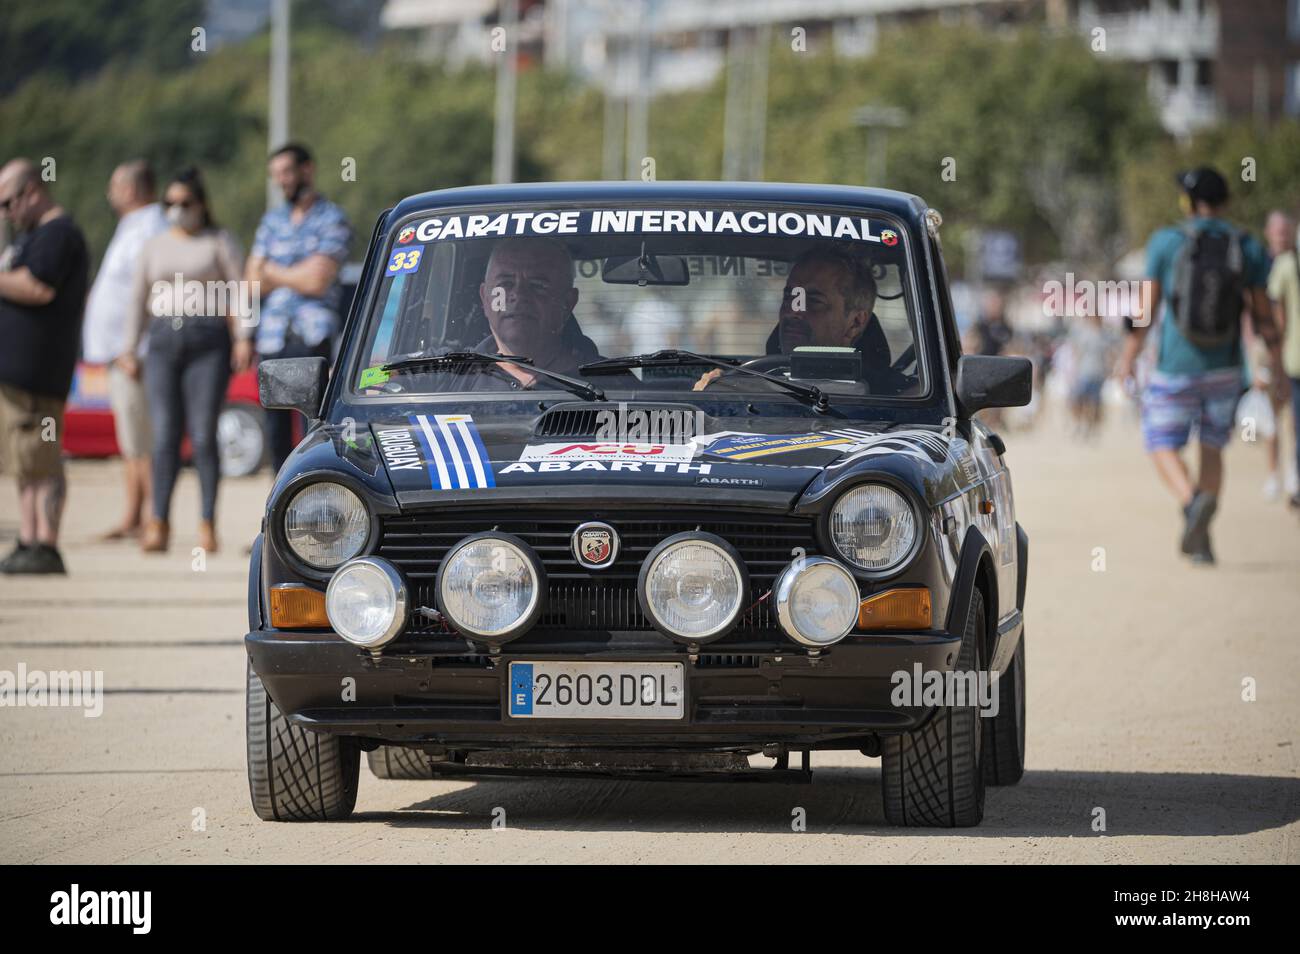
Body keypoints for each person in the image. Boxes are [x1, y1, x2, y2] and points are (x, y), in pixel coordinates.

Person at [1114, 167, 1279, 564]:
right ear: (1226, 203)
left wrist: (1127, 359)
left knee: (1159, 439)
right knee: (1212, 447)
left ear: (1187, 203)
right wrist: (1274, 362)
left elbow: (1146, 311)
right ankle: (1202, 534)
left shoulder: (1167, 243)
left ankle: (1191, 505)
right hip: (1226, 368)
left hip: (1176, 366)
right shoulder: (1248, 246)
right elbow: (1263, 315)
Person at [121, 167, 253, 554]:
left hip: (207, 340)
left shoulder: (218, 240)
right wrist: (128, 347)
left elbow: (242, 288)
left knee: (201, 434)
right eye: (170, 203)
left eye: (184, 203)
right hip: (163, 340)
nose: (177, 209)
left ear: (201, 205)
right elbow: (136, 300)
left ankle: (207, 523)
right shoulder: (154, 245)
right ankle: (158, 521)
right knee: (164, 435)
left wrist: (243, 336)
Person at [0, 159, 90, 575]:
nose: (5, 213)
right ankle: (29, 538)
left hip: (39, 373)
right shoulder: (32, 236)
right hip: (19, 375)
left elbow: (38, 288)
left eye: (7, 202)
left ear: (32, 191)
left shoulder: (58, 235)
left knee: (41, 458)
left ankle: (46, 544)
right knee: (23, 463)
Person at [245, 143, 351, 472]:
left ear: (307, 170)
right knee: (275, 435)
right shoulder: (271, 221)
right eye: (276, 175)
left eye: (287, 173)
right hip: (273, 338)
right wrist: (297, 273)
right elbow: (250, 280)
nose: (282, 181)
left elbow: (318, 281)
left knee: (314, 432)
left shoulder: (332, 219)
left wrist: (272, 271)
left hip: (313, 336)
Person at [81, 160, 167, 540]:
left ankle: (151, 518)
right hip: (120, 353)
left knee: (141, 437)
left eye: (115, 185)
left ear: (132, 189)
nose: (109, 193)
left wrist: (133, 348)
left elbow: (151, 291)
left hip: (135, 353)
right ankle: (134, 514)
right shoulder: (133, 225)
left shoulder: (150, 226)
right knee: (130, 440)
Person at [695, 244, 910, 395]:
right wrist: (710, 396)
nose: (793, 311)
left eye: (814, 301)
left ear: (855, 323)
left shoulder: (903, 402)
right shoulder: (736, 387)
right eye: (790, 297)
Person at [474, 236, 606, 385]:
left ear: (568, 302)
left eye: (537, 285)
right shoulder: (450, 381)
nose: (519, 295)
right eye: (505, 283)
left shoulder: (617, 390)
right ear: (485, 298)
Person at [1265, 208, 1300, 510]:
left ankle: (1292, 476)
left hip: (1290, 355)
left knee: (1292, 420)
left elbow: (1280, 319)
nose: (1281, 237)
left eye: (1284, 232)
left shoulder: (1286, 265)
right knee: (1279, 417)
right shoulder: (1274, 263)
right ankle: (1279, 473)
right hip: (1285, 355)